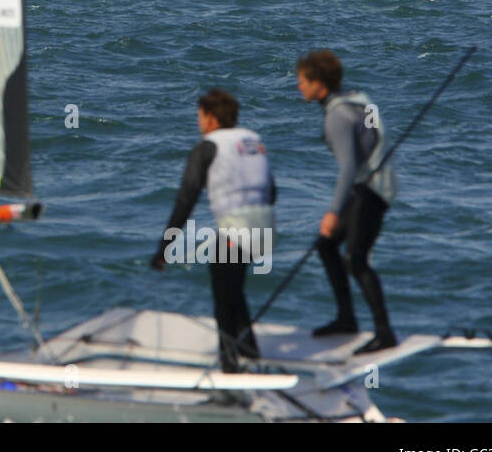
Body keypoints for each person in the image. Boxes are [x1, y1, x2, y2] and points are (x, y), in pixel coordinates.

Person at [150, 89, 276, 372]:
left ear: (211, 118)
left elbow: (186, 198)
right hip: (265, 226)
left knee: (223, 294)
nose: (199, 123)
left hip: (235, 230)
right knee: (234, 288)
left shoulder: (207, 147)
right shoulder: (252, 140)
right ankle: (250, 351)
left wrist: (164, 248)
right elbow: (272, 190)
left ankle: (229, 366)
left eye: (200, 116)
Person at [296, 50, 398, 355]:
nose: (299, 87)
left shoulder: (337, 117)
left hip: (371, 190)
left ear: (318, 84)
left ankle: (385, 333)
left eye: (302, 81)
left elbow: (349, 168)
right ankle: (346, 318)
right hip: (372, 185)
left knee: (356, 258)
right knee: (327, 246)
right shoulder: (356, 98)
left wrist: (332, 211)